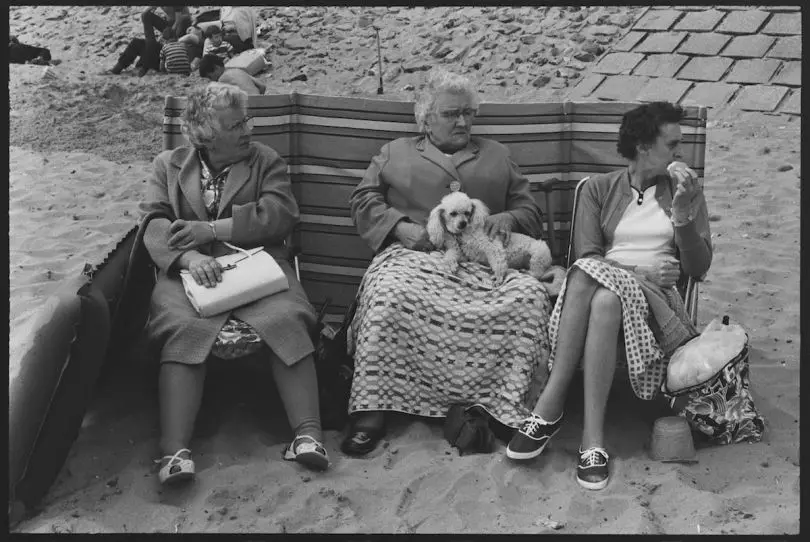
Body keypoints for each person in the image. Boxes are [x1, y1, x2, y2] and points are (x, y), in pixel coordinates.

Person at [342, 68, 555, 456]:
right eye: (452, 114)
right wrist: (399, 226)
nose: (463, 121)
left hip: (488, 261)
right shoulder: (396, 151)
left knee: (529, 299)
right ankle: (371, 409)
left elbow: (528, 208)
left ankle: (504, 408)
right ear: (424, 118)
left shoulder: (496, 154)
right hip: (415, 256)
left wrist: (509, 218)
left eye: (469, 113)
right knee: (388, 295)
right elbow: (363, 200)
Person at [505, 101, 712, 491]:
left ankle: (551, 403)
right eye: (672, 145)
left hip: (658, 304)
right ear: (643, 146)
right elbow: (584, 256)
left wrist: (682, 216)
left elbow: (698, 268)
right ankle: (592, 442)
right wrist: (635, 271)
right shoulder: (597, 189)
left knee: (590, 278)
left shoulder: (686, 192)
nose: (680, 154)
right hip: (604, 293)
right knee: (602, 296)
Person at [139, 82, 329, 484]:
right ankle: (173, 452)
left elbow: (280, 213)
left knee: (288, 316)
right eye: (237, 124)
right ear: (206, 133)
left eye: (246, 119)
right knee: (182, 325)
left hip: (259, 267)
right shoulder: (169, 165)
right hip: (188, 274)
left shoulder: (266, 161)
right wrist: (188, 258)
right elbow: (153, 224)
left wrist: (211, 229)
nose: (248, 129)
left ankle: (309, 436)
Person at [199, 54, 266, 95]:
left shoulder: (222, 79)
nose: (212, 80)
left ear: (216, 68)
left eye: (210, 77)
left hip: (249, 108)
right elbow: (262, 86)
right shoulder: (238, 70)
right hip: (259, 103)